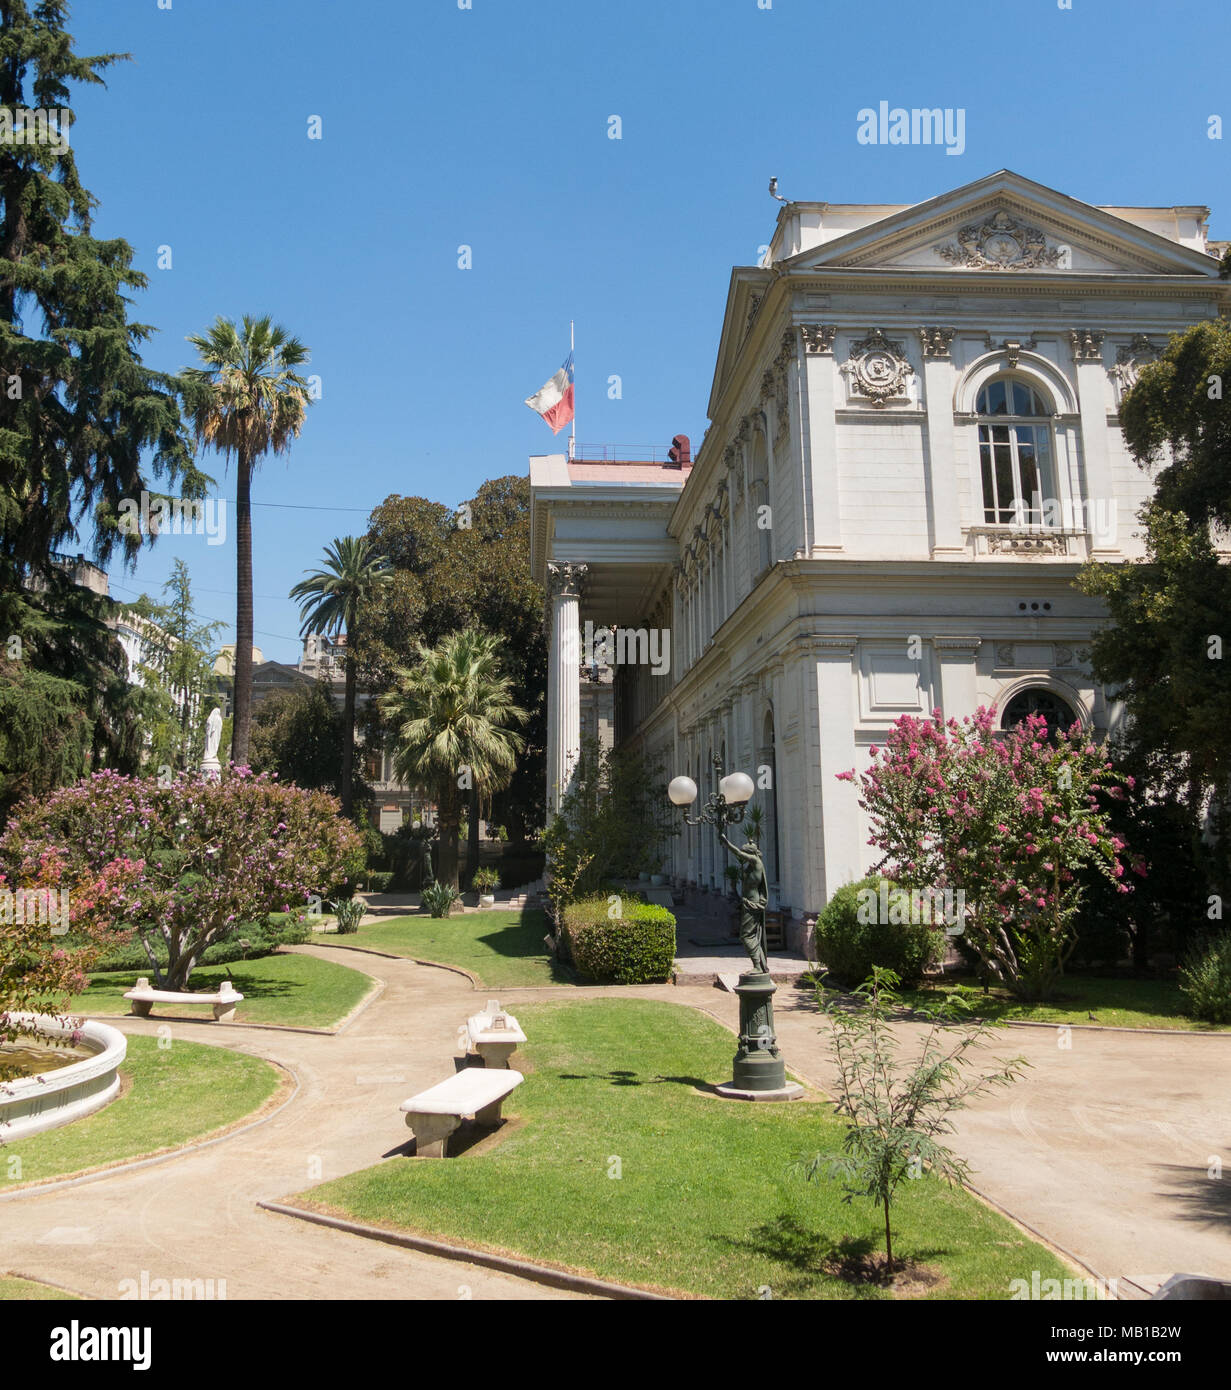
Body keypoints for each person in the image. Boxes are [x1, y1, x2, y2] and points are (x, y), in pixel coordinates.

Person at [718, 830, 768, 974]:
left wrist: (727, 843)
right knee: (749, 935)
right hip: (748, 902)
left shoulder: (756, 861)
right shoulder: (751, 865)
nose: (743, 852)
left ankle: (758, 966)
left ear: (751, 852)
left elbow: (739, 854)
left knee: (746, 935)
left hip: (753, 903)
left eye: (746, 849)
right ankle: (759, 965)